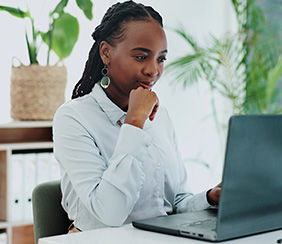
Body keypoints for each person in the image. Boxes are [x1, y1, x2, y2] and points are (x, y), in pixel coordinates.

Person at [53, 0, 221, 233]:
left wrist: (210, 198)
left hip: (159, 237)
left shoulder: (161, 117)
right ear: (106, 53)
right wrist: (134, 123)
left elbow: (175, 204)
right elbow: (109, 214)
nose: (153, 70)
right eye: (141, 57)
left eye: (161, 59)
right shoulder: (73, 118)